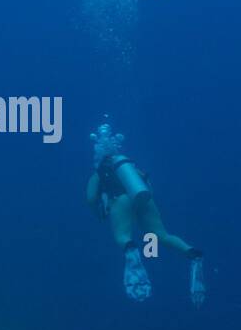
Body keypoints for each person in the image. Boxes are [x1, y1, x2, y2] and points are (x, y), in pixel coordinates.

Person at [86, 119, 205, 305]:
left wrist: (100, 208)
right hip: (144, 198)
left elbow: (91, 198)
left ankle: (132, 251)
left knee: (122, 236)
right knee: (161, 235)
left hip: (119, 200)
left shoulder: (99, 172)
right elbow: (146, 183)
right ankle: (193, 254)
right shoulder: (130, 166)